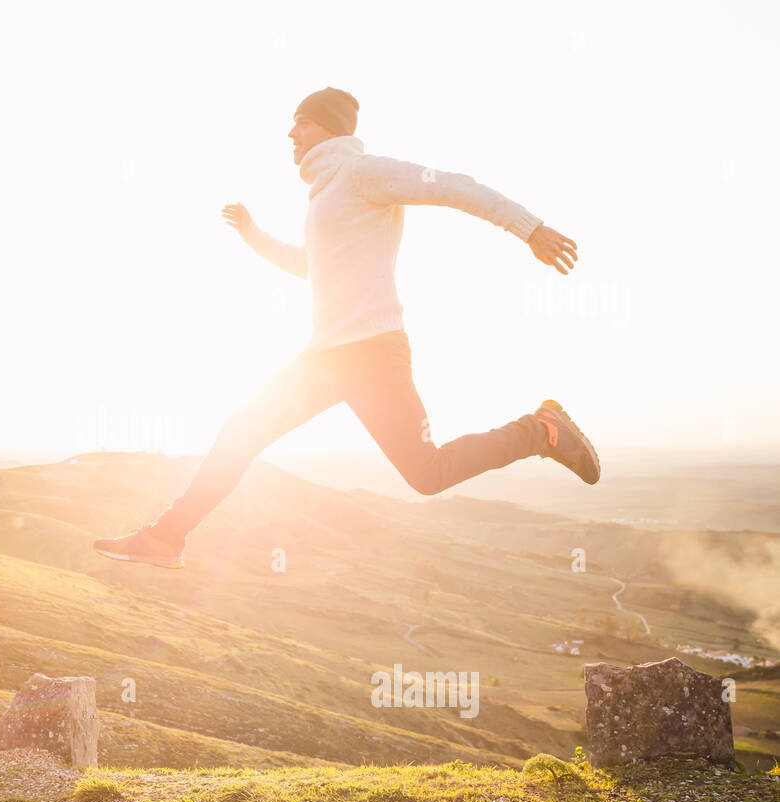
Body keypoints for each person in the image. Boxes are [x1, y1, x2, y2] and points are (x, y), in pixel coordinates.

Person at [94, 87, 597, 569]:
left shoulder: (362, 172)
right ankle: (165, 539)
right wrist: (251, 235)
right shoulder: (323, 195)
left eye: (302, 122)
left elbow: (453, 186)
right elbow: (312, 265)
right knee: (239, 433)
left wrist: (530, 228)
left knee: (428, 473)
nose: (291, 132)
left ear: (328, 129)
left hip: (373, 355)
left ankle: (541, 430)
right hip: (326, 358)